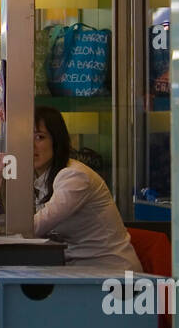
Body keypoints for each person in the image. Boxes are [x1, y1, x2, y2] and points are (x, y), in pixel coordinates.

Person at [33, 106, 142, 270]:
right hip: (78, 270)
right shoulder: (39, 178)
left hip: (111, 275)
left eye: (39, 137)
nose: (30, 145)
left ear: (57, 141)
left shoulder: (74, 176)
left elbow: (37, 226)